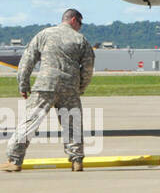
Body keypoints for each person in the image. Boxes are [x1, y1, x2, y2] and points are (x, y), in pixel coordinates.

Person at [4, 9, 95, 173]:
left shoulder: (45, 34)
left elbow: (27, 60)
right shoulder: (80, 40)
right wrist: (80, 87)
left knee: (31, 121)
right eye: (80, 23)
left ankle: (15, 160)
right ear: (74, 20)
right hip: (70, 87)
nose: (80, 27)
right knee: (72, 124)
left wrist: (23, 85)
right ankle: (76, 161)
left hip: (45, 85)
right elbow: (88, 68)